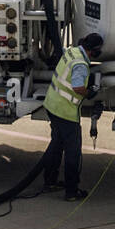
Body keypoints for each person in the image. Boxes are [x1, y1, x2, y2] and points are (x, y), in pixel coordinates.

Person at [41, 33, 103, 200]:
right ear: (94, 52)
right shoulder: (81, 65)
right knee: (73, 153)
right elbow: (77, 87)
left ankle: (50, 181)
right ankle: (71, 191)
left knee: (56, 145)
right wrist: (90, 92)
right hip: (66, 112)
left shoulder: (72, 52)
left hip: (52, 105)